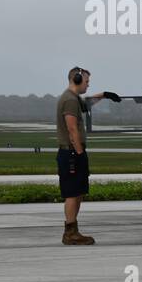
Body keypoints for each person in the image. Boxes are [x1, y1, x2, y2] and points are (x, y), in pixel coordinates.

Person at [56, 66, 109, 245]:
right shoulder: (69, 100)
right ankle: (70, 233)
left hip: (72, 151)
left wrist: (103, 95)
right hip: (71, 152)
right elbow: (72, 128)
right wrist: (79, 153)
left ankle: (73, 231)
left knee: (78, 192)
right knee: (72, 193)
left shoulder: (73, 98)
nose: (88, 85)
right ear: (77, 80)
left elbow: (85, 104)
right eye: (86, 81)